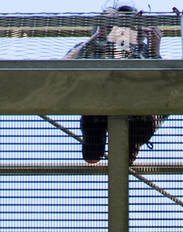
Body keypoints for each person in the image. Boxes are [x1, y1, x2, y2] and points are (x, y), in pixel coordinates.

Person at [66, 2, 165, 166]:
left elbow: (163, 85)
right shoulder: (96, 47)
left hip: (137, 105)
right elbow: (66, 64)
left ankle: (129, 148)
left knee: (131, 142)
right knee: (92, 143)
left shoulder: (143, 50)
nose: (124, 31)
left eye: (130, 25)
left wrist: (155, 49)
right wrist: (98, 37)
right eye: (120, 24)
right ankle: (95, 145)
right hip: (100, 100)